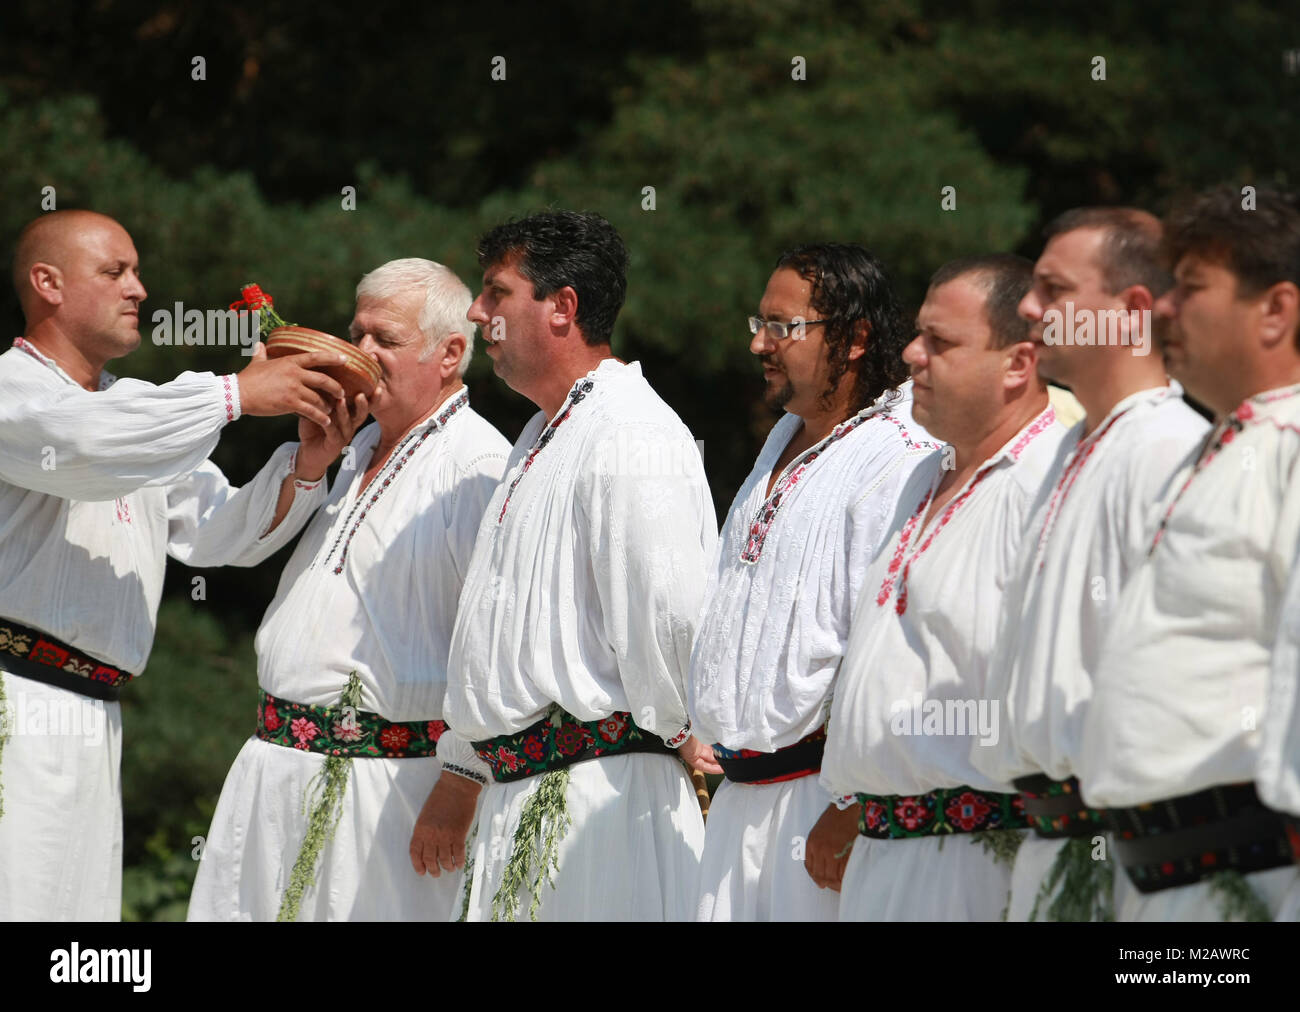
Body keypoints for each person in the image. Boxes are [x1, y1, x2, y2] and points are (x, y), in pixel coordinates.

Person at [0, 209, 363, 920]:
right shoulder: (14, 391)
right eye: (114, 272)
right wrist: (234, 394)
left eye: (137, 271)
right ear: (47, 283)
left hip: (95, 709)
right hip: (15, 699)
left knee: (78, 924)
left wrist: (309, 461)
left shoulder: (135, 412)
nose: (138, 289)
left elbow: (220, 534)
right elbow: (84, 447)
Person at [408, 210, 718, 921]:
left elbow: (669, 603)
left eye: (496, 291)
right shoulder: (543, 433)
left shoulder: (630, 427)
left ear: (562, 307)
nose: (477, 312)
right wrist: (465, 768)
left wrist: (678, 726)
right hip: (529, 795)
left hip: (602, 806)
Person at [187, 259, 508, 921]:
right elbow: (225, 547)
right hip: (272, 768)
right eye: (355, 331)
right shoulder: (354, 447)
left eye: (382, 339)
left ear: (448, 354)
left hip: (388, 788)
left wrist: (464, 777)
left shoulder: (478, 465)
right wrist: (311, 461)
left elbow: (498, 640)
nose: (357, 352)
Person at [688, 243, 938, 920]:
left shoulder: (901, 455)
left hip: (821, 805)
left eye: (783, 326)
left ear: (854, 339)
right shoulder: (780, 442)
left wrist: (855, 802)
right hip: (740, 802)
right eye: (758, 323)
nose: (760, 345)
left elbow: (891, 644)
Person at [972, 208, 1209, 921]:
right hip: (1057, 845)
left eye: (1053, 289)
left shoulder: (1168, 449)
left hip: (1132, 856)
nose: (1027, 308)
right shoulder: (1072, 450)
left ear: (1131, 310)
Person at [821, 253, 1066, 921]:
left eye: (942, 341)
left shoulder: (1048, 483)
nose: (911, 354)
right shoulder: (922, 473)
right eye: (917, 334)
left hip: (978, 859)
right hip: (882, 853)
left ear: (1019, 363)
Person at [1080, 184, 1300, 920]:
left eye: (1193, 288)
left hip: (1256, 883)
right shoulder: (1223, 444)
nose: (1165, 309)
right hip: (1161, 885)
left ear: (1277, 310)